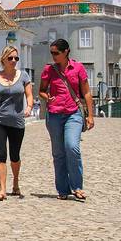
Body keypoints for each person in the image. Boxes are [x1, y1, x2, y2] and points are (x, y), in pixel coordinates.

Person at [38, 37, 94, 201]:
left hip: (73, 113)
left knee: (72, 147)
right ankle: (63, 189)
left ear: (66, 51)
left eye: (56, 53)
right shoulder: (49, 69)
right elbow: (41, 90)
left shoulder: (78, 68)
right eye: (51, 53)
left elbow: (86, 93)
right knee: (58, 153)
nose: (53, 56)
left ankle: (77, 187)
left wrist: (90, 115)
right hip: (54, 114)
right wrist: (47, 97)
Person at [0, 44, 34, 201]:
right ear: (4, 59)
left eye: (16, 58)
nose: (14, 60)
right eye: (10, 58)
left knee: (15, 155)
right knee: (1, 154)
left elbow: (29, 95)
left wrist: (29, 107)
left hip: (17, 121)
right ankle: (2, 189)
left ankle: (15, 182)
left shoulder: (23, 76)